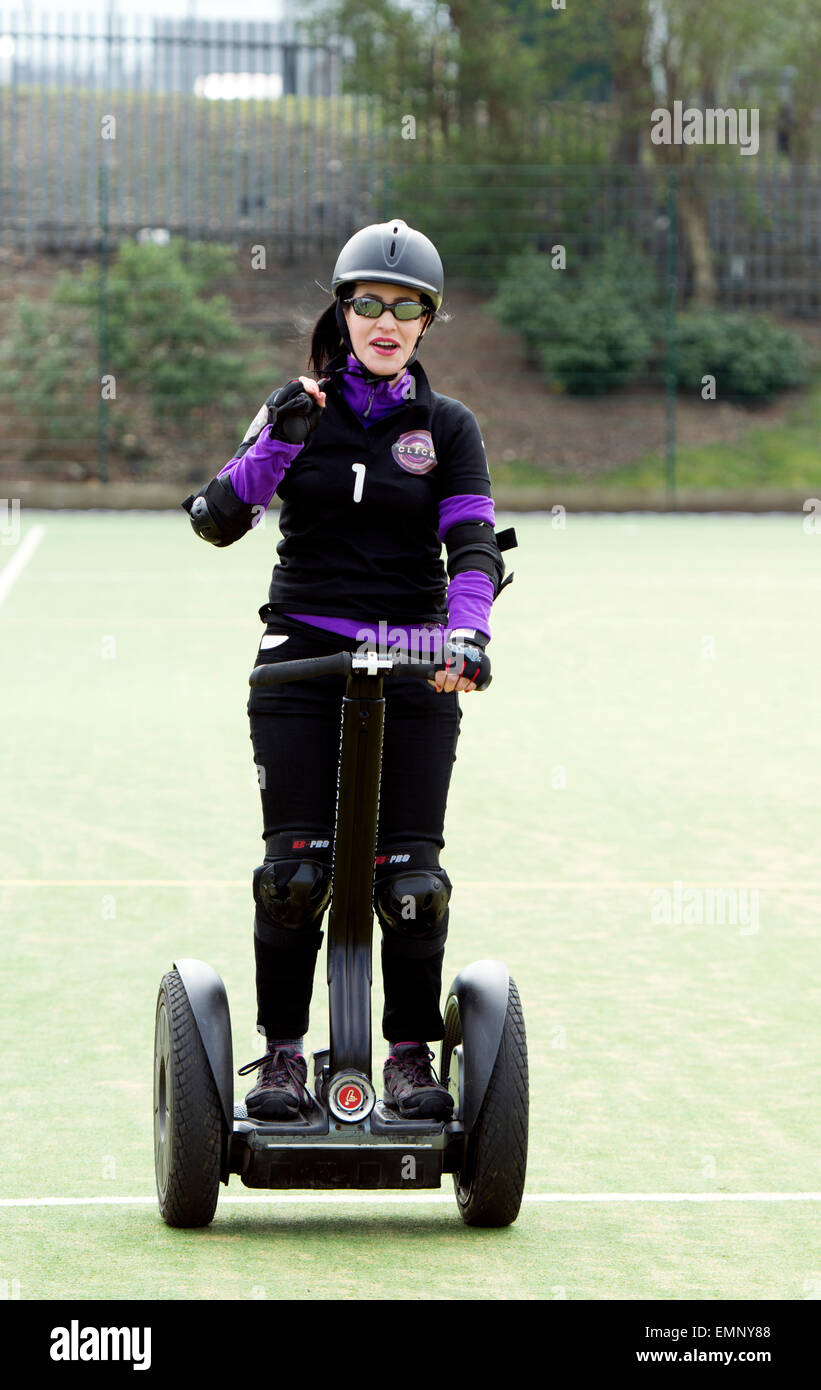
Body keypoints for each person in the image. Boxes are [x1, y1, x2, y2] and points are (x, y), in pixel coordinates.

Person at [182, 218, 515, 1122]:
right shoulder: (292, 407)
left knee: (411, 885)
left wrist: (466, 636)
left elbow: (473, 546)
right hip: (301, 652)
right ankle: (283, 1055)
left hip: (410, 657)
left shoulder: (447, 427)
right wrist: (277, 442)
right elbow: (216, 518)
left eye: (406, 308)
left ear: (424, 325)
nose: (385, 318)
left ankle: (410, 1056)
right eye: (369, 300)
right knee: (295, 875)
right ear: (344, 309)